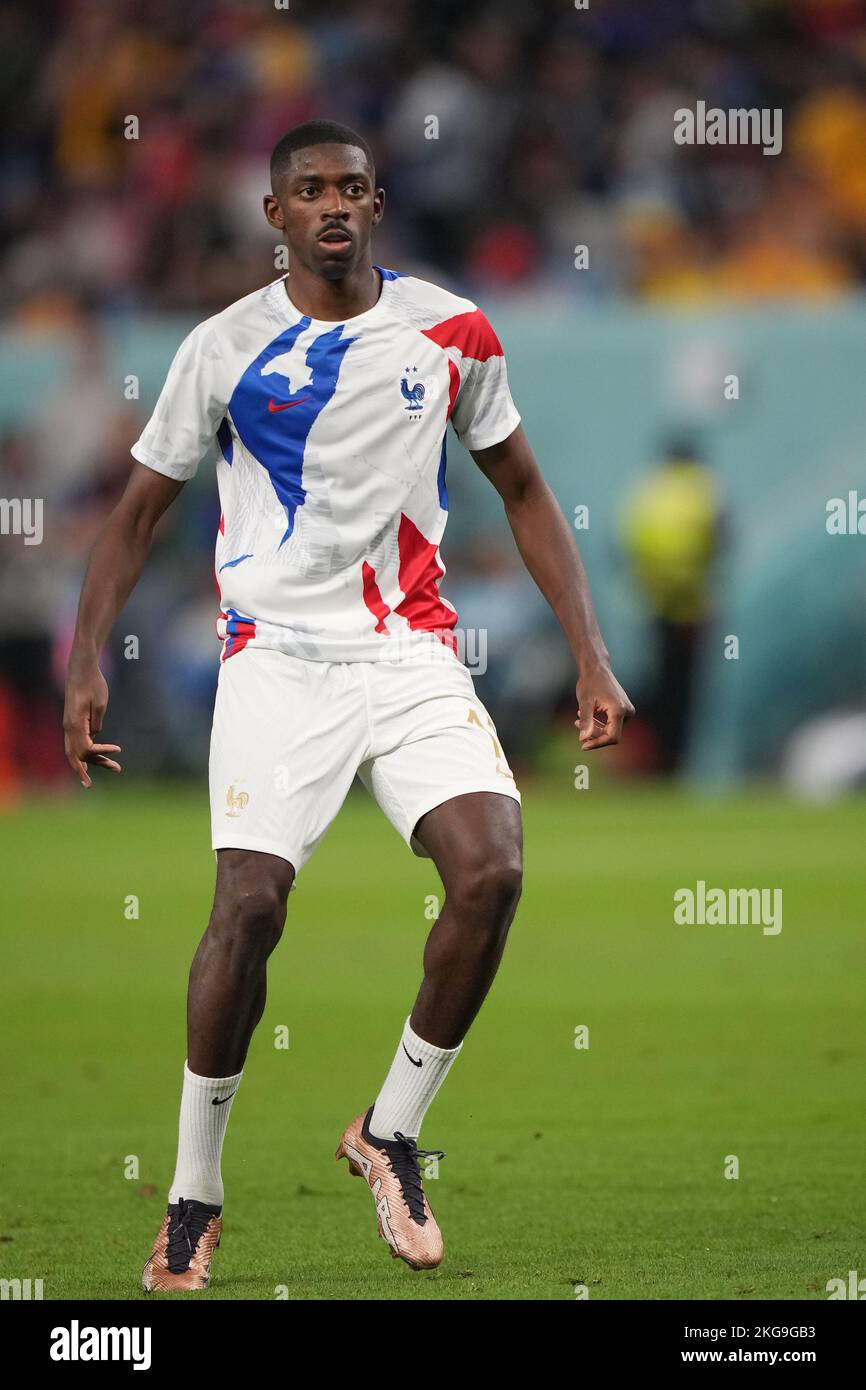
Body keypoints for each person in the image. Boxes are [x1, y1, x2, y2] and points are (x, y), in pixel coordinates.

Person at [62, 120, 633, 1290]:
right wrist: (86, 662)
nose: (333, 205)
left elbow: (522, 488)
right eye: (310, 190)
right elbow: (132, 517)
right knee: (249, 905)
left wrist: (589, 651)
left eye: (353, 189)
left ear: (378, 206)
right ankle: (192, 1194)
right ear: (273, 216)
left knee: (492, 870)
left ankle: (389, 1128)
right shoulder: (222, 350)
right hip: (273, 659)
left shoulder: (451, 331)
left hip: (410, 654)